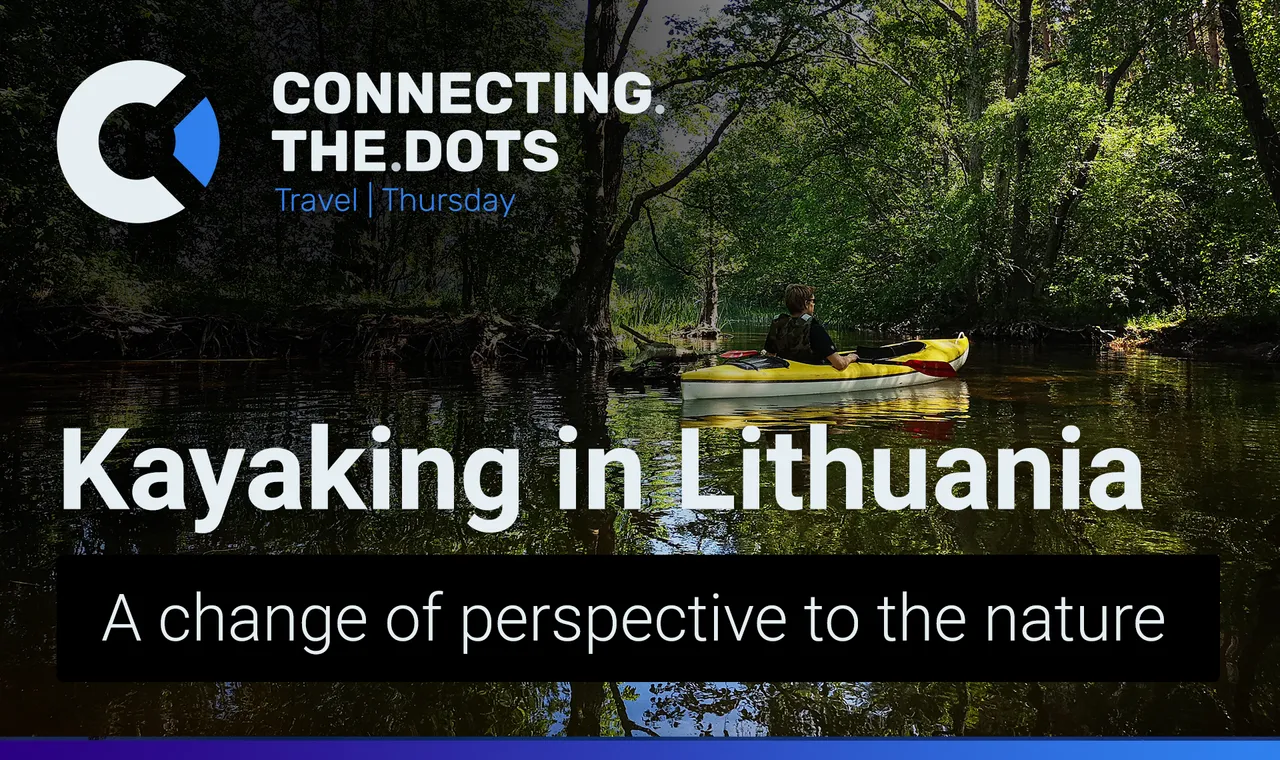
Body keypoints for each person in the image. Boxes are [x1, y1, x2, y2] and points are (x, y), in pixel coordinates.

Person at [763, 284, 858, 370]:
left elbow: (770, 355)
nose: (814, 304)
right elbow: (840, 364)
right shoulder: (814, 327)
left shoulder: (778, 324)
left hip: (786, 370)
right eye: (813, 301)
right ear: (806, 303)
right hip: (807, 372)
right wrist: (850, 357)